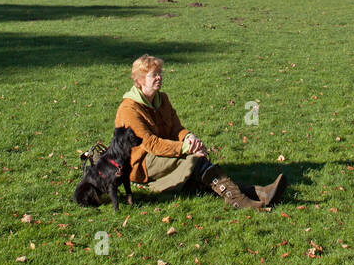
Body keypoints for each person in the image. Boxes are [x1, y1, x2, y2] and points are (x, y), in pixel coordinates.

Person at [114, 55, 284, 210]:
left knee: (198, 175)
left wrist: (189, 137)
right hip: (142, 162)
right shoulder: (130, 108)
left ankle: (260, 194)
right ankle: (241, 200)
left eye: (160, 73)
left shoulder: (162, 99)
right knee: (196, 161)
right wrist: (186, 148)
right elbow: (150, 144)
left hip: (165, 151)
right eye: (154, 75)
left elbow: (176, 128)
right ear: (140, 80)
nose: (159, 77)